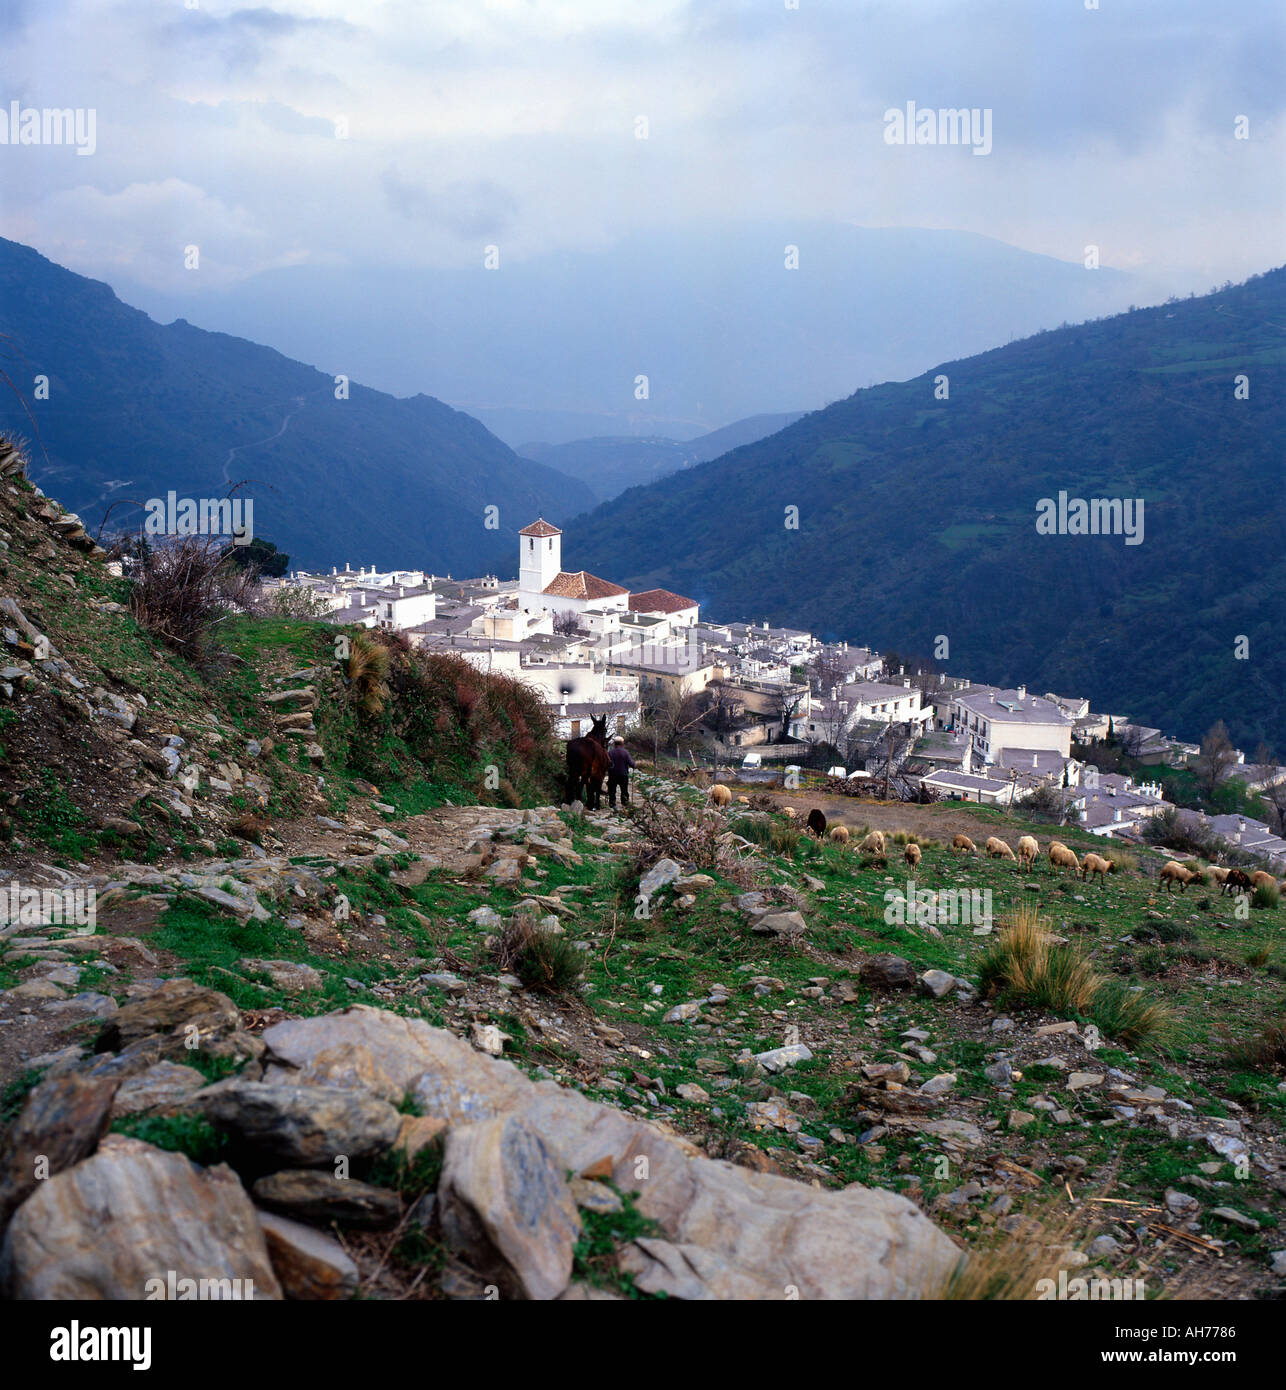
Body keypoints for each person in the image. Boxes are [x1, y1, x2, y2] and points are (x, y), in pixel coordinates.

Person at [607, 734, 635, 808]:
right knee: (624, 790)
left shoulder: (610, 753)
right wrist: (634, 765)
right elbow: (631, 764)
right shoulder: (625, 752)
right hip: (623, 774)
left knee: (612, 791)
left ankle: (612, 804)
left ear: (614, 743)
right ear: (622, 743)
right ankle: (625, 804)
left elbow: (607, 764)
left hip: (613, 775)